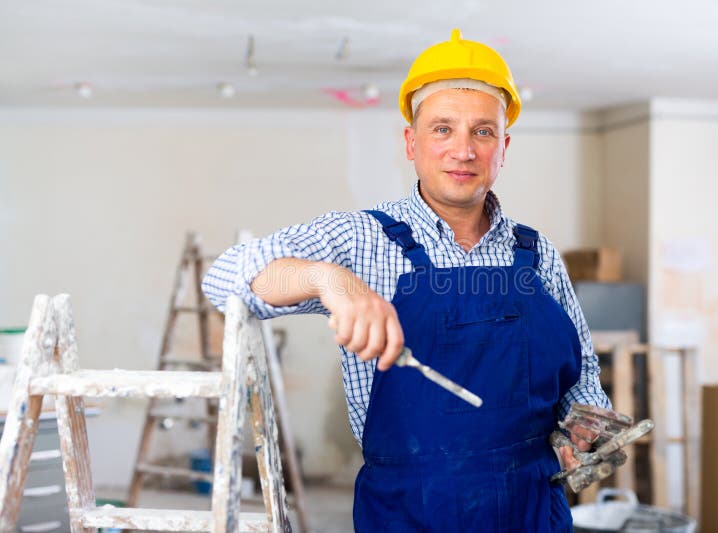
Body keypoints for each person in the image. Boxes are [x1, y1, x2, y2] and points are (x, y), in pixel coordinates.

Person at [203, 28, 611, 532]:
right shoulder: (360, 238)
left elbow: (581, 373)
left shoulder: (536, 253)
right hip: (409, 513)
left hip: (531, 511)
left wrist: (585, 426)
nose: (463, 150)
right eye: (442, 129)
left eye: (483, 132)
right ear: (411, 143)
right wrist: (328, 279)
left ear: (503, 147)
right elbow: (223, 279)